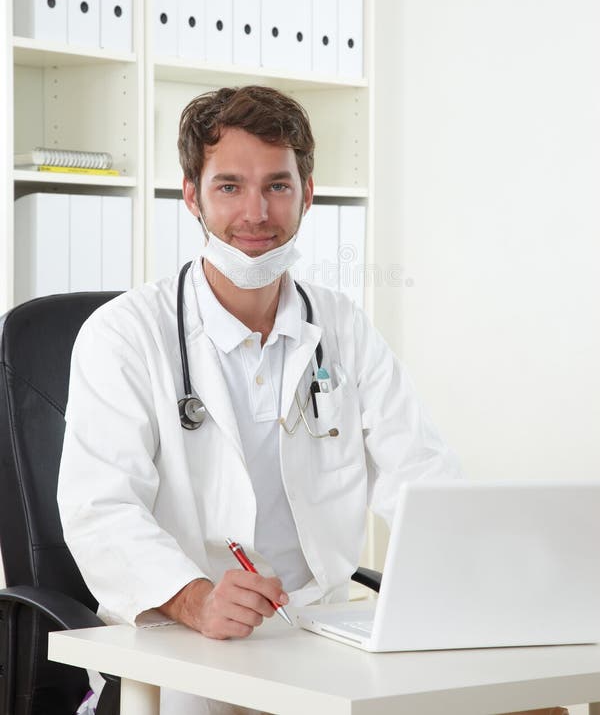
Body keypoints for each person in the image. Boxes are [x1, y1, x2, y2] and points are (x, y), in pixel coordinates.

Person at [58, 85, 461, 714]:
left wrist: (479, 572)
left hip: (318, 634)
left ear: (308, 193)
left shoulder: (342, 327)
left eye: (277, 185)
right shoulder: (124, 335)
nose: (257, 212)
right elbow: (99, 509)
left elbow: (422, 475)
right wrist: (195, 598)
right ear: (191, 194)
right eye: (229, 186)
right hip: (177, 644)